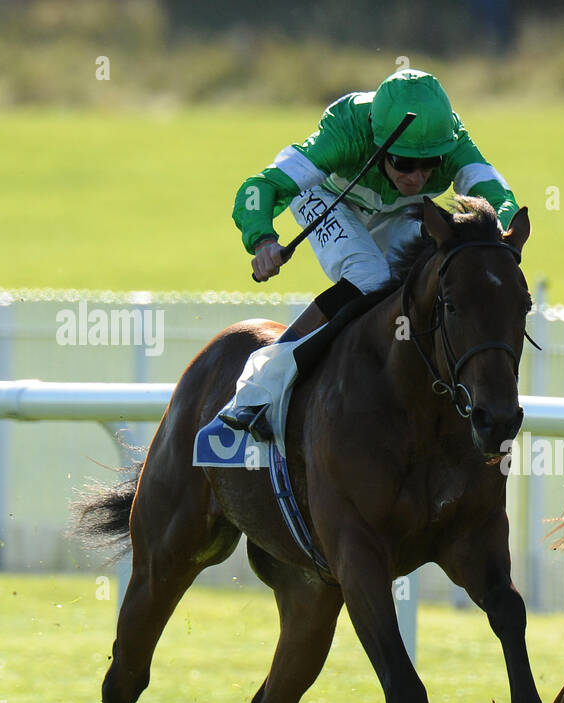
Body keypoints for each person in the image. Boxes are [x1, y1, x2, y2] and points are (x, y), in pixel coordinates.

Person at [220, 68, 520, 441]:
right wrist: (263, 240)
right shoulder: (344, 132)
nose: (417, 177)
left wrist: (497, 241)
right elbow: (260, 186)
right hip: (328, 199)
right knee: (370, 276)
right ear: (378, 144)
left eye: (430, 163)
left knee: (432, 271)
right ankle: (262, 382)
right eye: (404, 162)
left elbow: (501, 201)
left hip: (400, 210)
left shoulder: (455, 140)